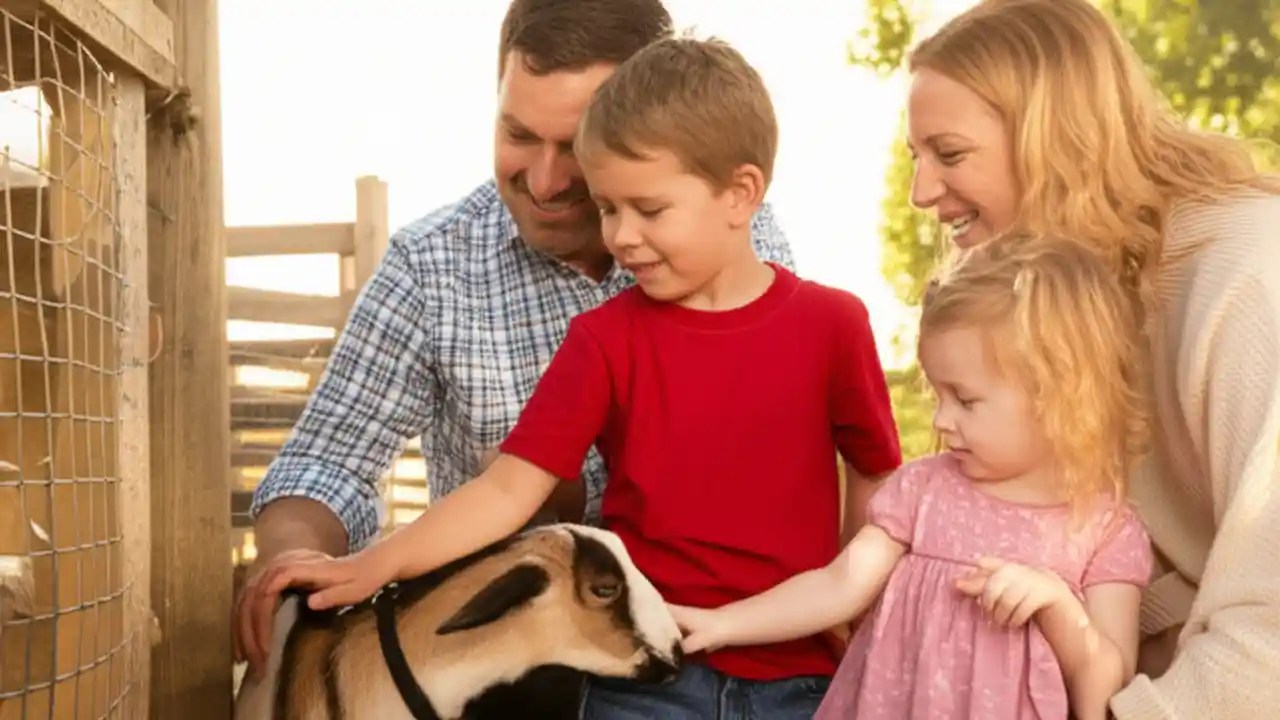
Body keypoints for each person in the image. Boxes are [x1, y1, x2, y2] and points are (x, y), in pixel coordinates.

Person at [258, 36, 902, 719]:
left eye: (647, 211)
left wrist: (849, 594)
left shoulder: (834, 324)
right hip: (647, 672)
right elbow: (507, 489)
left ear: (741, 194)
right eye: (607, 209)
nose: (622, 236)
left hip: (799, 672)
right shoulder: (604, 339)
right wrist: (374, 564)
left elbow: (875, 472)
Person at [900, 0, 1280, 716]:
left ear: (1055, 138)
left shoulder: (1251, 276)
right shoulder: (1061, 302)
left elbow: (1272, 621)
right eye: (915, 158)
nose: (923, 193)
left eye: (949, 155)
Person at [669, 235, 1156, 720]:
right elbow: (840, 586)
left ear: (1061, 401)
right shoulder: (925, 489)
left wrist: (1058, 607)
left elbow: (1106, 692)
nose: (942, 421)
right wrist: (723, 624)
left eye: (964, 399)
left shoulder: (1104, 530)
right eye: (936, 395)